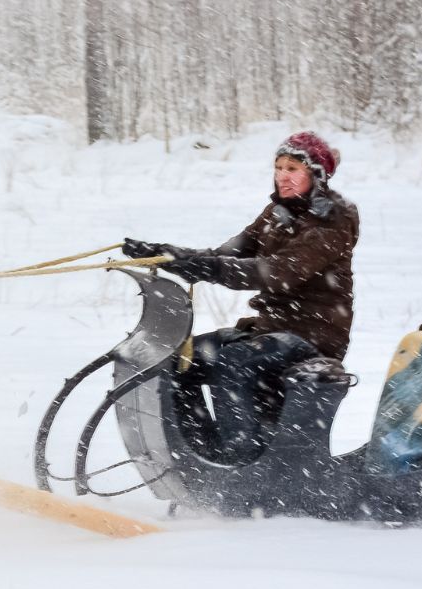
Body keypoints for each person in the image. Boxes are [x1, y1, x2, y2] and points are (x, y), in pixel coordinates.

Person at [123, 132, 359, 458]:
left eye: (293, 168)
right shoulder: (276, 212)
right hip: (270, 328)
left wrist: (210, 268)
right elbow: (228, 254)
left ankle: (242, 464)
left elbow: (279, 272)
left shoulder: (334, 218)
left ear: (316, 175)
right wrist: (167, 254)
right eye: (278, 167)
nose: (282, 176)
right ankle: (201, 456)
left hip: (314, 334)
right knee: (184, 360)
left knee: (234, 363)